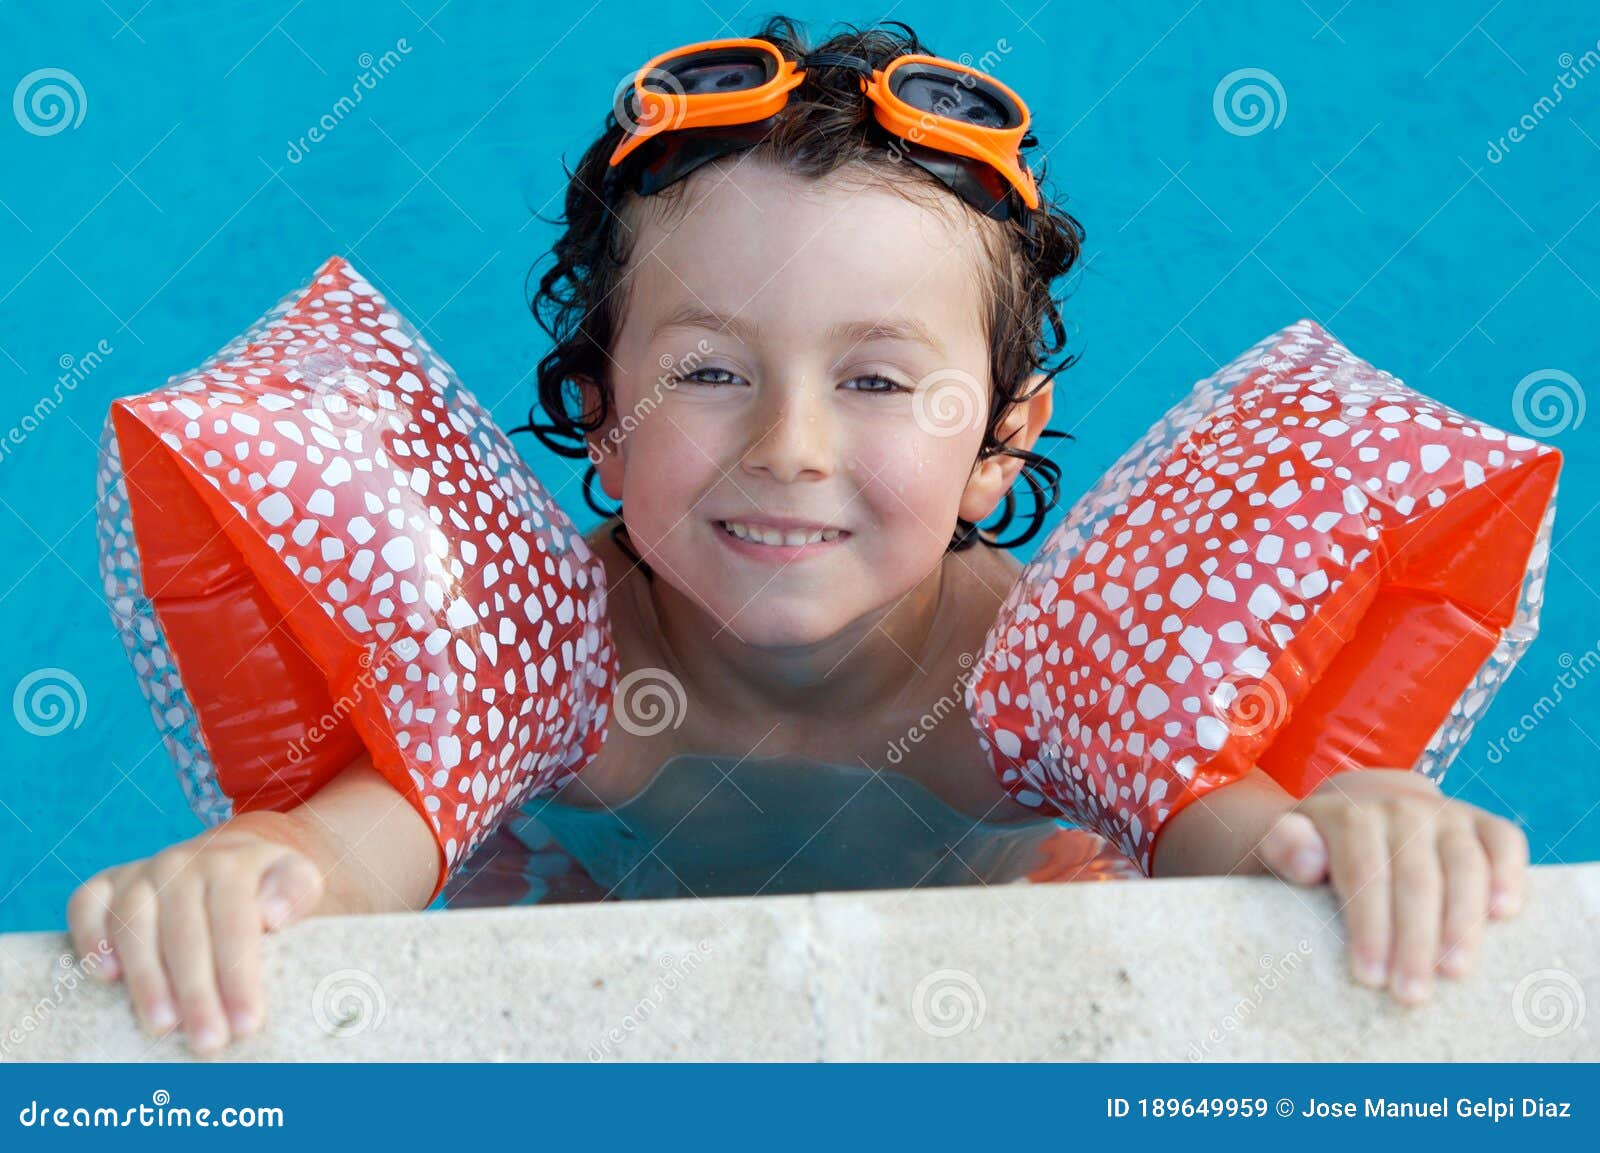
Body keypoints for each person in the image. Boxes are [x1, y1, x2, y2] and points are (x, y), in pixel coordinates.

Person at [68, 16, 1528, 1057]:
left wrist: (1336, 832)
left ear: (1001, 441)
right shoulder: (552, 666)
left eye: (880, 381)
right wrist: (256, 867)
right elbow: (352, 858)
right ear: (601, 414)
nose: (789, 447)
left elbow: (1242, 847)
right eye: (708, 370)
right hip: (613, 1016)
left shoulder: (1041, 675)